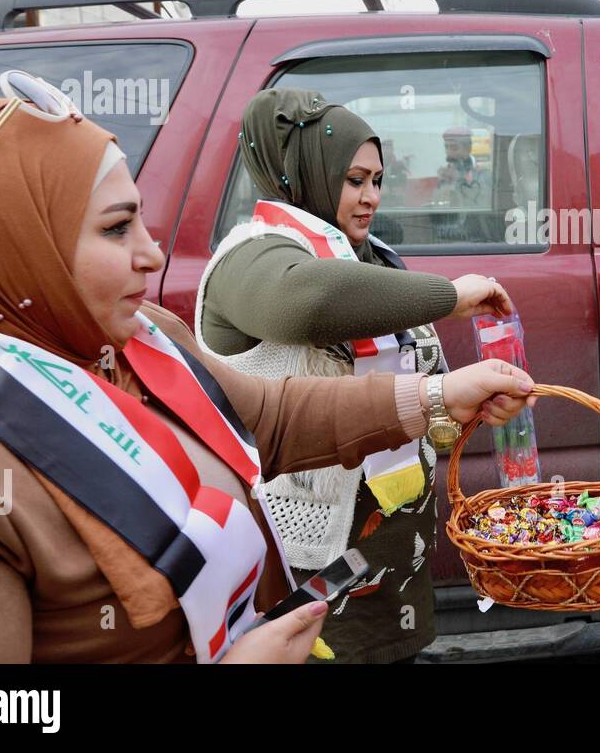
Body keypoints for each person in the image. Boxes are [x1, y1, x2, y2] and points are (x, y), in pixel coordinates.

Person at [0, 84, 534, 664]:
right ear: (19, 244)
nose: (152, 253)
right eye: (115, 228)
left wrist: (439, 396)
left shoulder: (142, 341)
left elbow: (269, 417)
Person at [196, 87, 514, 663]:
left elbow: (416, 388)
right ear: (304, 174)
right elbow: (308, 303)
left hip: (393, 568)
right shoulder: (248, 257)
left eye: (377, 180)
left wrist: (459, 399)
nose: (370, 198)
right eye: (353, 180)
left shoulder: (373, 261)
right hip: (313, 571)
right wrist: (449, 295)